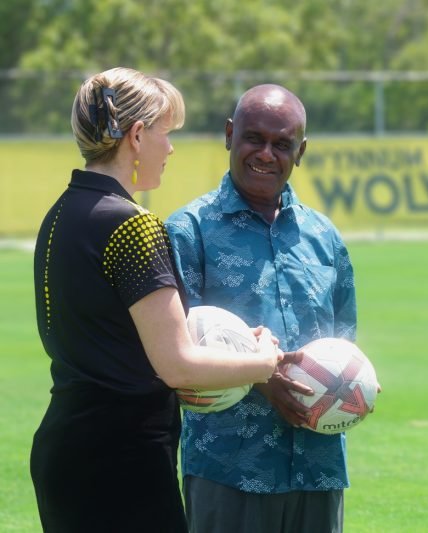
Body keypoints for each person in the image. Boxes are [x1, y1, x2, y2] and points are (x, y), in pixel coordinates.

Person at [30, 68, 287, 533]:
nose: (169, 149)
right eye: (166, 134)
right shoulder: (133, 226)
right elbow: (177, 366)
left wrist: (232, 344)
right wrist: (264, 363)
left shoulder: (61, 213)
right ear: (138, 134)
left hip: (64, 450)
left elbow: (117, 335)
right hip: (122, 463)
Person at [165, 84, 357, 533]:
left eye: (282, 144)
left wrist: (354, 384)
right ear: (230, 134)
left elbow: (343, 338)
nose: (266, 154)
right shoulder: (188, 231)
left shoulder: (323, 237)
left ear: (301, 151)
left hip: (319, 464)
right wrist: (260, 377)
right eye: (254, 138)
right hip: (229, 467)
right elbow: (173, 352)